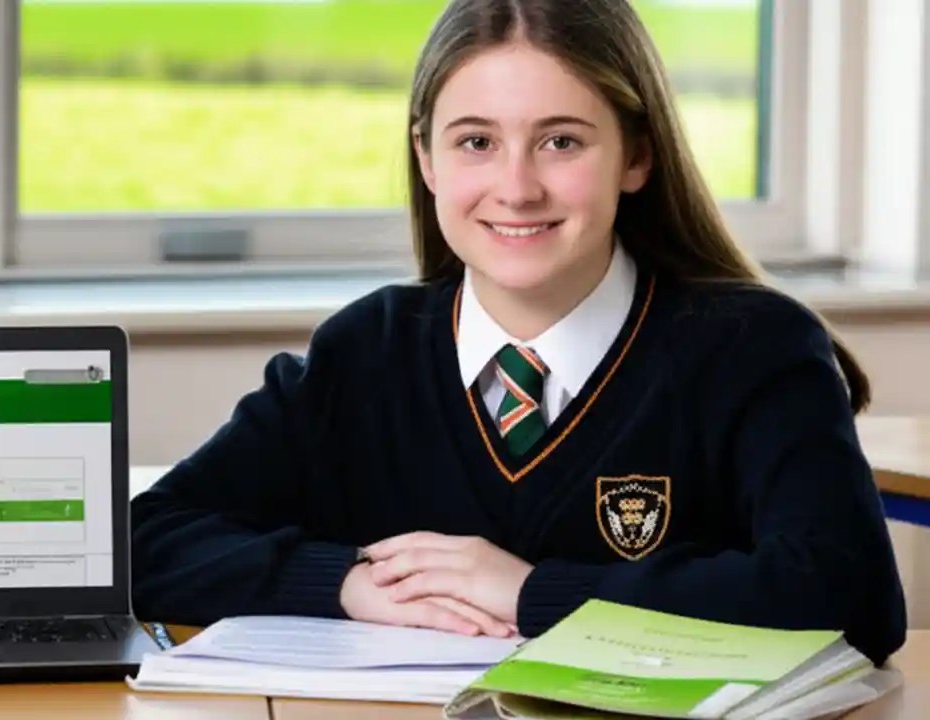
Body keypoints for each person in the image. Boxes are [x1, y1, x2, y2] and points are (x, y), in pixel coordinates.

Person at [130, 0, 907, 664]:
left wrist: (532, 591)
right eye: (476, 142)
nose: (517, 187)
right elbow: (145, 538)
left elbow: (852, 600)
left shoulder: (753, 350)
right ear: (426, 159)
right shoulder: (365, 353)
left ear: (637, 155)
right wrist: (345, 584)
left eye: (561, 141)